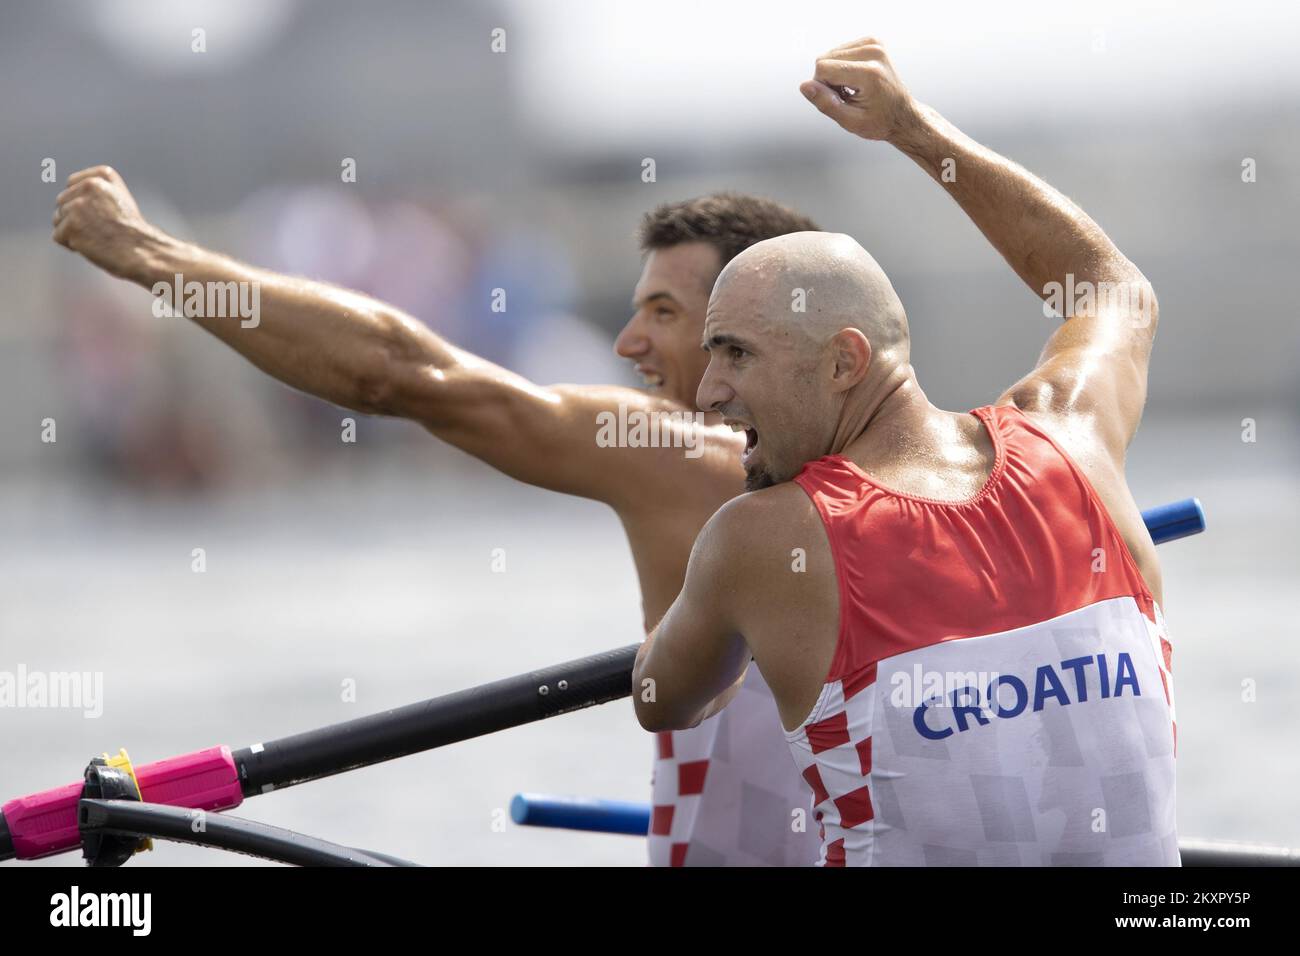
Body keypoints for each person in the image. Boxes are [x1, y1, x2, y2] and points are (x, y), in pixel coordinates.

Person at [51, 168, 824, 864]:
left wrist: (148, 257)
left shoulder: (687, 457)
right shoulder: (935, 471)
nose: (628, 342)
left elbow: (404, 375)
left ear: (753, 328)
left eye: (663, 312)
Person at [633, 39, 1176, 866]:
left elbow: (662, 700)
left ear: (846, 361)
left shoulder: (760, 539)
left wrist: (701, 605)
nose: (707, 393)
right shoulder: (1076, 439)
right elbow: (1111, 290)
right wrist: (914, 130)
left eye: (736, 354)